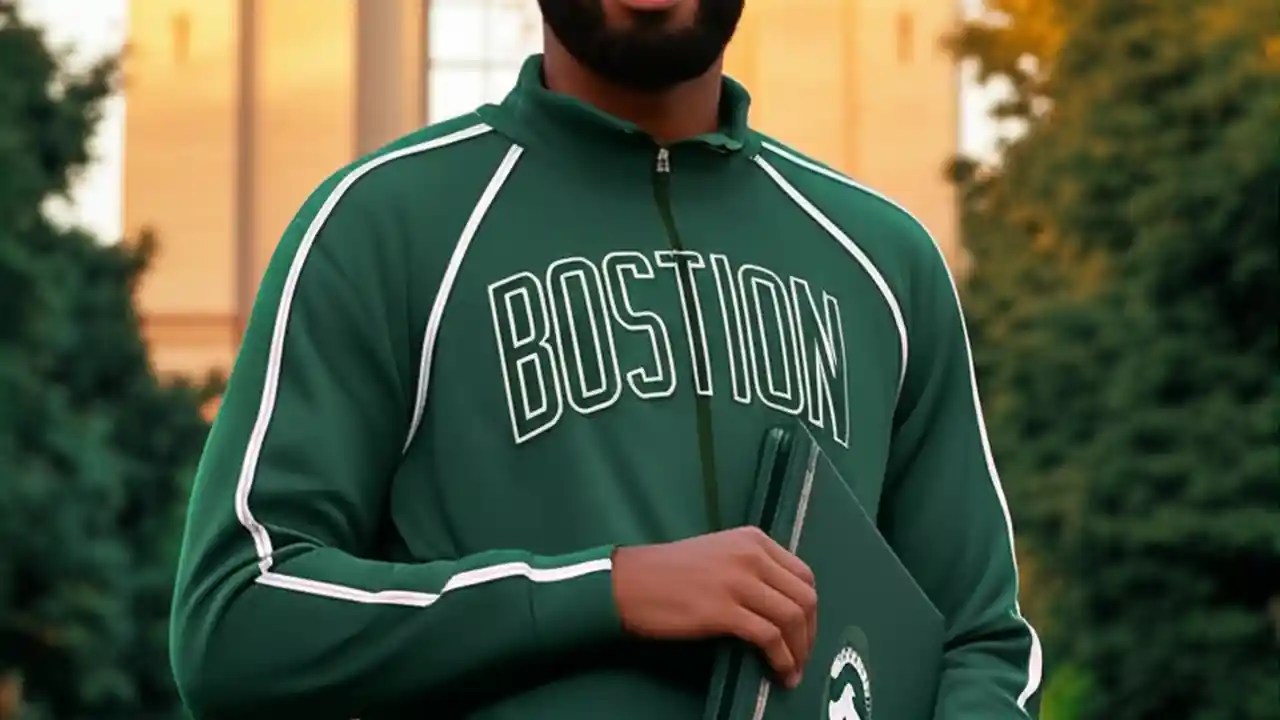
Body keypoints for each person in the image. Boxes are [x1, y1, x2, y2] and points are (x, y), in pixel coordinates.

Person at [169, 0, 1042, 717]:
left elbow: (982, 642)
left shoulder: (880, 260)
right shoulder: (383, 228)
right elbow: (236, 614)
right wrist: (606, 591)